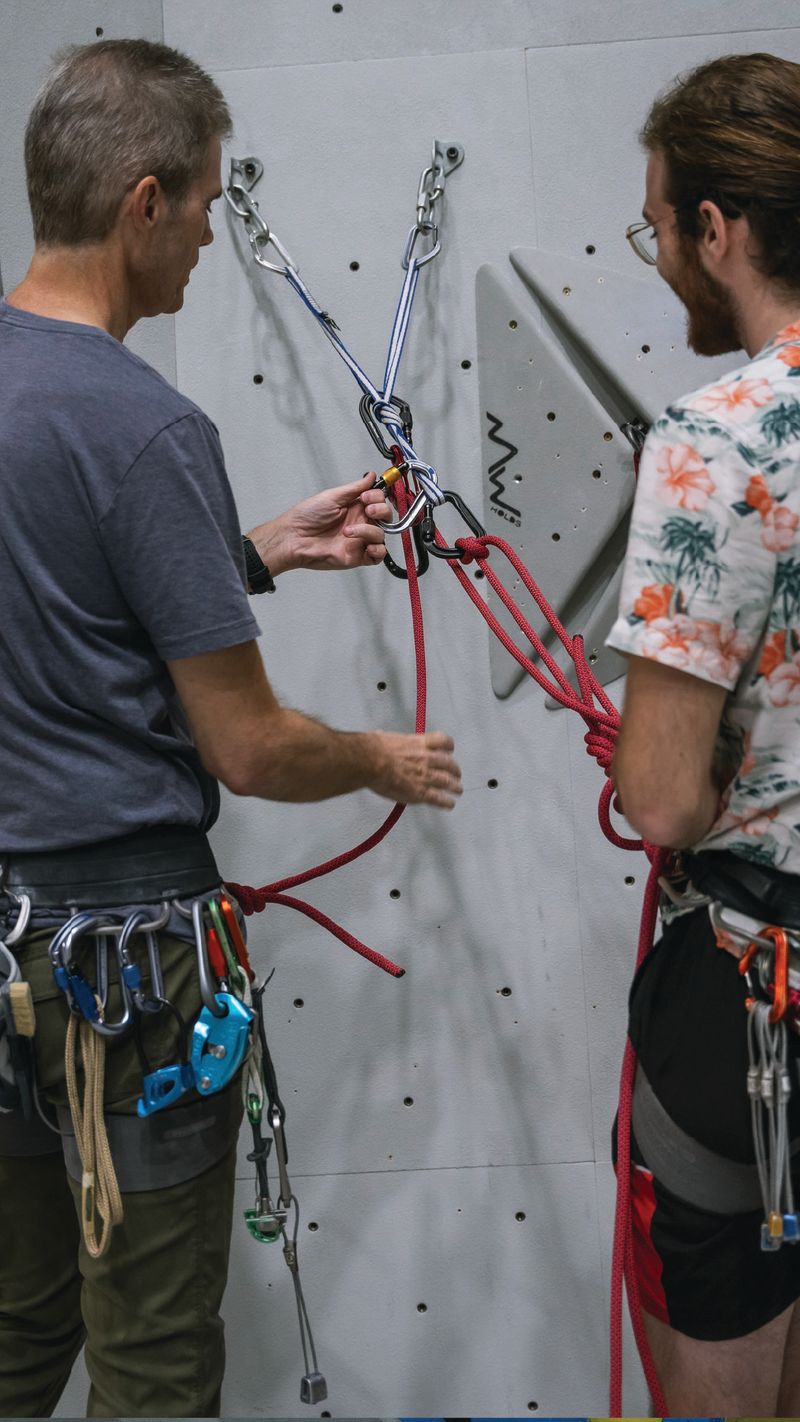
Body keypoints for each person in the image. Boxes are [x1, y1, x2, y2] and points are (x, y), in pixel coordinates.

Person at [0, 37, 462, 1419]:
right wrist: (388, 757)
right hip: (133, 981)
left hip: (8, 971)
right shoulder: (148, 427)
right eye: (202, 202)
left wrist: (251, 551)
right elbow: (250, 747)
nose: (210, 230)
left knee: (16, 1334)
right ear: (143, 203)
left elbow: (54, 595)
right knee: (151, 1361)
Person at [607, 52, 800, 1418]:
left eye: (662, 222)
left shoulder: (714, 441)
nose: (665, 251)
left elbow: (663, 798)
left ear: (720, 231)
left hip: (752, 1003)